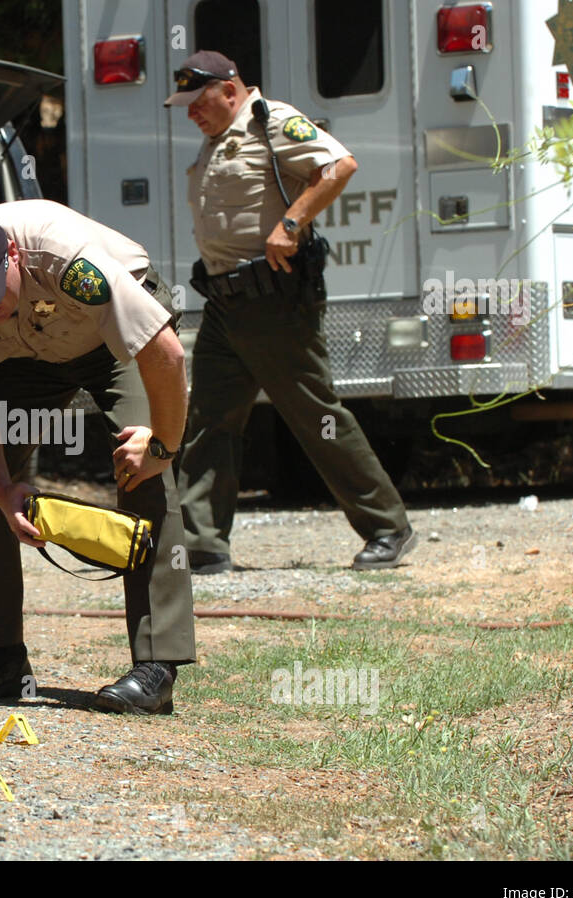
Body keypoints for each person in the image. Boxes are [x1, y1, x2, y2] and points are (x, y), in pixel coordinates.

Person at [0, 201, 195, 715]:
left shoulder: (71, 262)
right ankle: (0, 657)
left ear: (14, 255)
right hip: (24, 362)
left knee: (140, 462)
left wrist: (162, 445)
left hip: (113, 341)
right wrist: (3, 492)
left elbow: (164, 352)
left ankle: (157, 666)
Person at [166, 51, 417, 575]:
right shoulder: (217, 142)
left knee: (314, 416)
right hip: (223, 303)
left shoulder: (270, 121)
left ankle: (387, 527)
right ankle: (204, 542)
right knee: (210, 420)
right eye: (185, 105)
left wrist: (292, 222)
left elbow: (338, 165)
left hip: (273, 301)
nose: (190, 113)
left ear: (230, 91)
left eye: (198, 101)